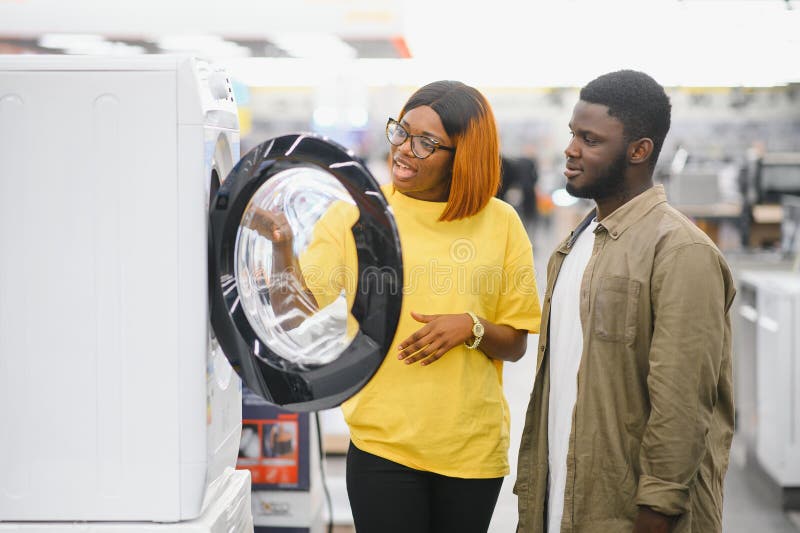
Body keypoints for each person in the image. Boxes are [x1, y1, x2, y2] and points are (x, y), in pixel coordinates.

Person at [246, 80, 542, 532]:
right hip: (382, 444)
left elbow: (516, 343)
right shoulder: (358, 213)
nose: (404, 148)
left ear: (463, 155)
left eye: (426, 143)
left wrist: (472, 326)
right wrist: (282, 245)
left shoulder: (501, 223)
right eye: (401, 131)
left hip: (471, 447)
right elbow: (295, 315)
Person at [514, 70, 735, 533]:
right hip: (566, 504)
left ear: (639, 150)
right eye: (573, 134)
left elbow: (682, 402)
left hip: (635, 516)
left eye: (590, 140)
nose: (571, 149)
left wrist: (656, 511)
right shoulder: (576, 245)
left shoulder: (681, 252)